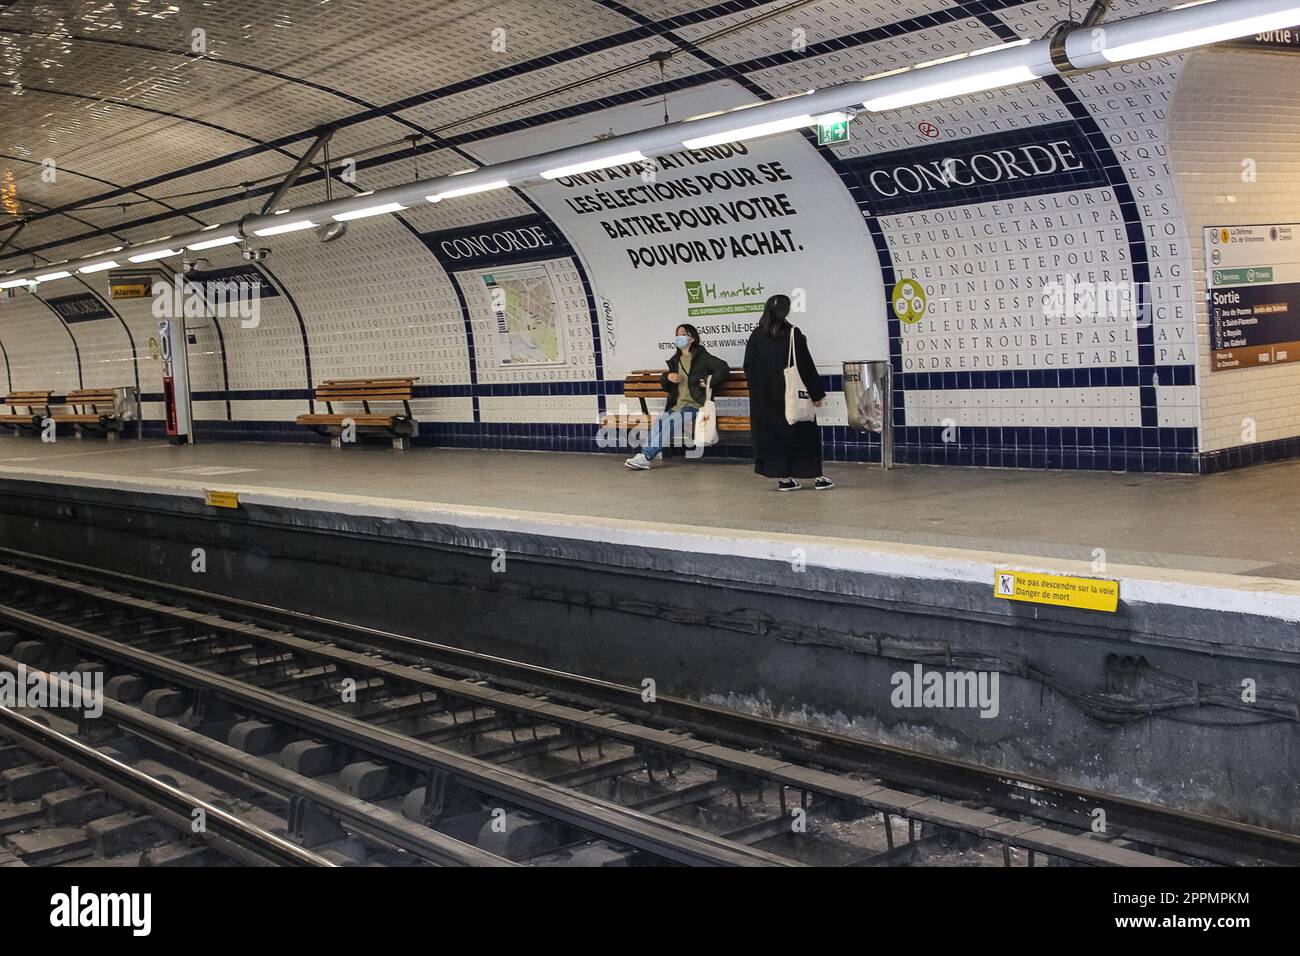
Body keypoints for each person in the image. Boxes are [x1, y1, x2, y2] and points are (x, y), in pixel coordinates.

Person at [743, 294, 833, 491]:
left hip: (765, 400)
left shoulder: (756, 336)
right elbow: (805, 366)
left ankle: (785, 479)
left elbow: (748, 367)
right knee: (803, 434)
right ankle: (817, 476)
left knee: (775, 439)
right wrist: (816, 394)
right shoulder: (793, 334)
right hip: (791, 396)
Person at [625, 323, 730, 470]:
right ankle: (643, 455)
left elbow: (723, 367)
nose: (679, 337)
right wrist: (668, 377)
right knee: (659, 422)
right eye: (677, 334)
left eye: (682, 334)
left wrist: (710, 382)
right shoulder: (675, 360)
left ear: (692, 338)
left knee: (670, 420)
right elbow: (667, 387)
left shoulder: (702, 357)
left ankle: (646, 456)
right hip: (677, 406)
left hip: (695, 406)